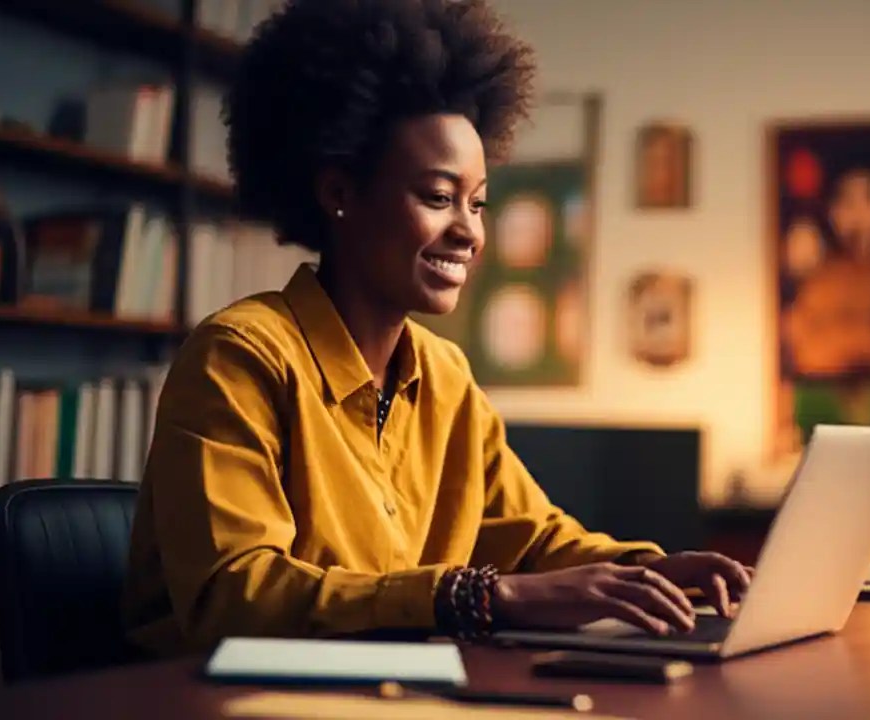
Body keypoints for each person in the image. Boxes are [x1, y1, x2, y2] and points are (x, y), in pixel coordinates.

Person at [122, 0, 749, 656]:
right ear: (338, 189)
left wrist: (652, 571)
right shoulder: (239, 358)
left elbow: (534, 540)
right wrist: (472, 596)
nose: (471, 232)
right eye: (438, 197)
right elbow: (234, 593)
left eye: (478, 203)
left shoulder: (443, 376)